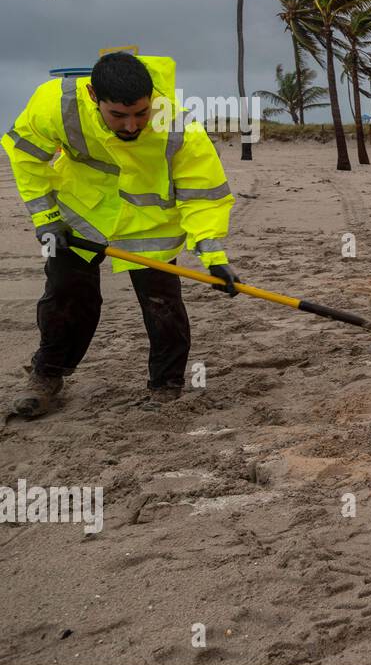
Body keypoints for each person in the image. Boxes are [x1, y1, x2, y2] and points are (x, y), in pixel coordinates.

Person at [2, 52, 238, 416]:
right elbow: (26, 154)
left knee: (162, 306)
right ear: (94, 96)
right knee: (66, 295)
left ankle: (166, 385)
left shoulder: (179, 126)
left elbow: (202, 196)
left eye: (141, 114)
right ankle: (46, 376)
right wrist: (47, 218)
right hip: (79, 214)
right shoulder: (57, 103)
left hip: (149, 227)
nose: (131, 126)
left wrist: (213, 255)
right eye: (119, 115)